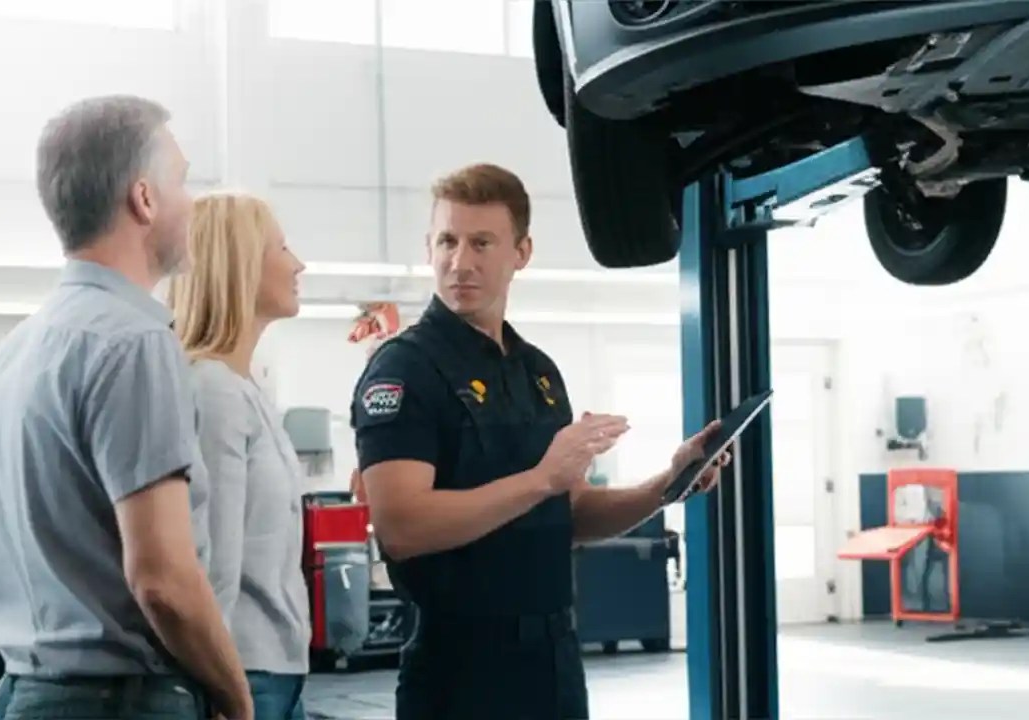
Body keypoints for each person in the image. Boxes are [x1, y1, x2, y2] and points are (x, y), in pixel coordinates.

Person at [349, 162, 732, 720]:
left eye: (482, 243)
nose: (460, 262)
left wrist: (666, 486)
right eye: (447, 241)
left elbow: (570, 511)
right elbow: (402, 527)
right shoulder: (406, 369)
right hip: (459, 672)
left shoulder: (538, 374)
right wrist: (539, 479)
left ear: (521, 253)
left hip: (553, 663)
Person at [0, 96, 252, 720]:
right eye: (182, 181)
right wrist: (237, 696)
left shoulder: (12, 354)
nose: (192, 204)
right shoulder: (134, 342)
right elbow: (163, 580)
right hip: (118, 700)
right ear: (144, 199)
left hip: (21, 692)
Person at [165, 192, 313, 719]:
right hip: (244, 675)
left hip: (277, 671)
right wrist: (225, 691)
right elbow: (212, 569)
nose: (298, 264)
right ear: (241, 265)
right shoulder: (212, 391)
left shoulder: (244, 388)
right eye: (282, 247)